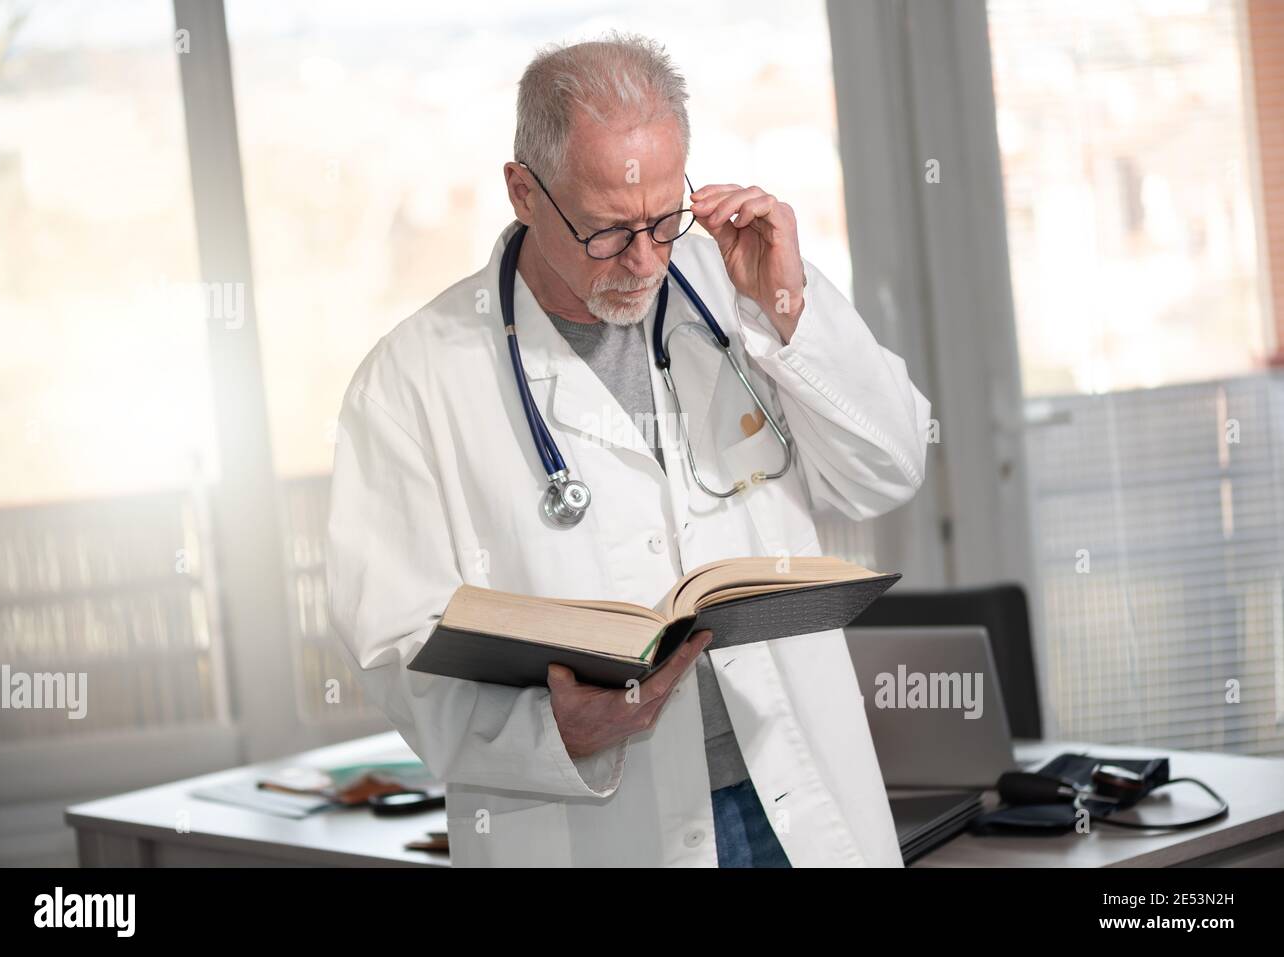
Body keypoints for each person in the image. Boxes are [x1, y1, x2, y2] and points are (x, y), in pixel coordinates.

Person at [327, 32, 931, 867]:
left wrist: (790, 316)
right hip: (596, 829)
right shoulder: (411, 382)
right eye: (608, 232)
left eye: (663, 222)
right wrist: (550, 731)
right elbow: (396, 649)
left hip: (797, 804)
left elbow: (892, 467)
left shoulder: (740, 284)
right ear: (523, 192)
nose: (647, 261)